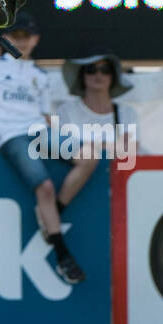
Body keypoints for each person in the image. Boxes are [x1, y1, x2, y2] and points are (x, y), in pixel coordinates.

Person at [0, 11, 85, 285]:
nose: (21, 41)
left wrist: (57, 137)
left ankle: (53, 211)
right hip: (12, 135)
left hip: (40, 131)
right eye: (16, 36)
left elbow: (46, 115)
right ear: (6, 38)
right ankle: (62, 255)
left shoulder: (40, 74)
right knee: (43, 186)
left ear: (35, 40)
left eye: (26, 37)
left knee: (88, 156)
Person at [55, 45, 138, 210]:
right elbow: (64, 148)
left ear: (113, 76)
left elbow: (131, 150)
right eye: (91, 69)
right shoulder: (66, 111)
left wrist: (88, 147)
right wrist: (110, 147)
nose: (98, 75)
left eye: (105, 70)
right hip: (76, 195)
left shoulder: (126, 112)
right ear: (82, 75)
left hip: (114, 194)